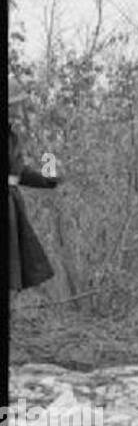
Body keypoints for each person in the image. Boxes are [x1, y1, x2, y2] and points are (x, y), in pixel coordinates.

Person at [8, 81, 60, 293]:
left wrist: (49, 178)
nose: (18, 109)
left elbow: (18, 172)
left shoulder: (12, 136)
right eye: (14, 104)